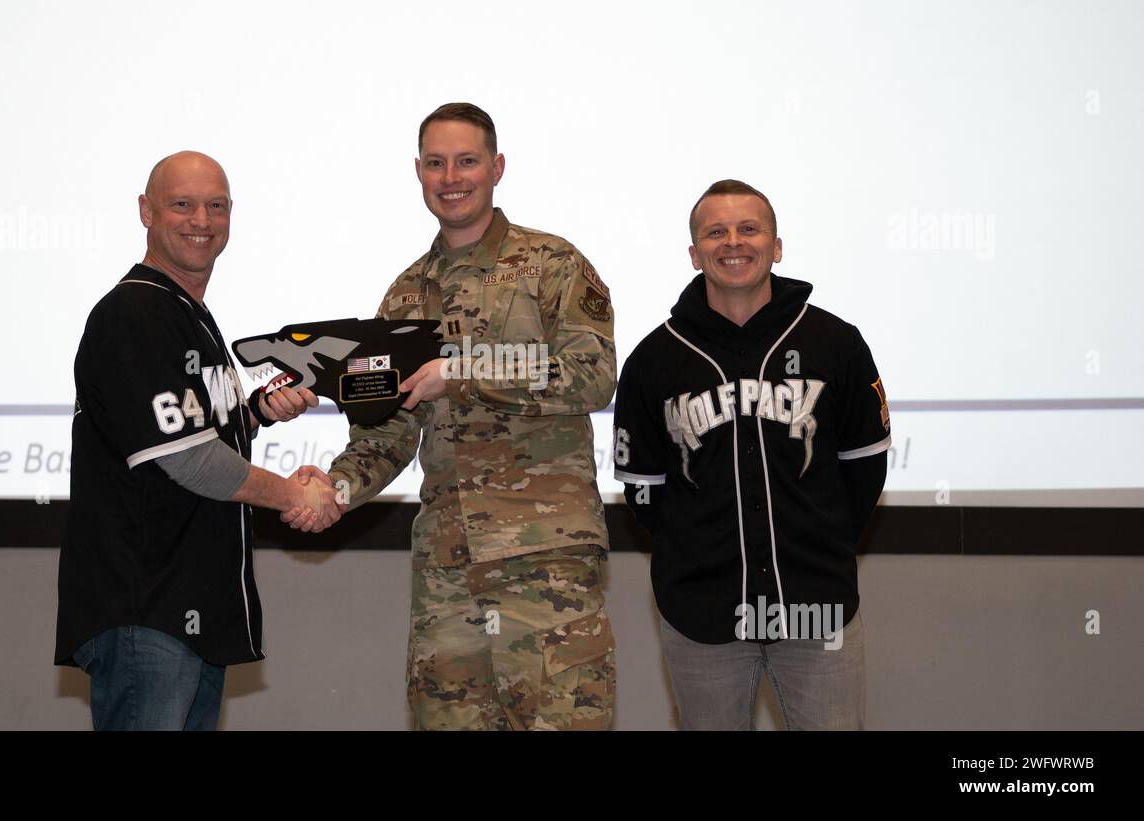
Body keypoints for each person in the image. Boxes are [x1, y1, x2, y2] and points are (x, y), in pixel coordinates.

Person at [315, 103, 618, 730]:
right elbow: (385, 435)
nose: (451, 176)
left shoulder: (554, 265)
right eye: (435, 163)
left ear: (497, 167)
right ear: (418, 172)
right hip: (447, 575)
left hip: (546, 564)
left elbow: (593, 377)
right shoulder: (404, 295)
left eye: (467, 161)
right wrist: (335, 489)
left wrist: (464, 371)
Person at [54, 150, 341, 731]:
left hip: (190, 611)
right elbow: (189, 459)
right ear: (145, 211)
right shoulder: (136, 312)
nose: (200, 220)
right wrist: (291, 495)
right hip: (147, 612)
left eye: (216, 206)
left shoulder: (189, 314)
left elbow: (189, 432)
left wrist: (255, 412)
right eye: (181, 204)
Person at [613, 179, 889, 730]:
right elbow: (644, 492)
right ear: (694, 254)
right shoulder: (654, 359)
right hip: (702, 613)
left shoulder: (835, 342)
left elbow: (864, 470)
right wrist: (699, 552)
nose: (732, 242)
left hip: (817, 606)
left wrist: (817, 542)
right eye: (715, 232)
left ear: (777, 245)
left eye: (748, 228)